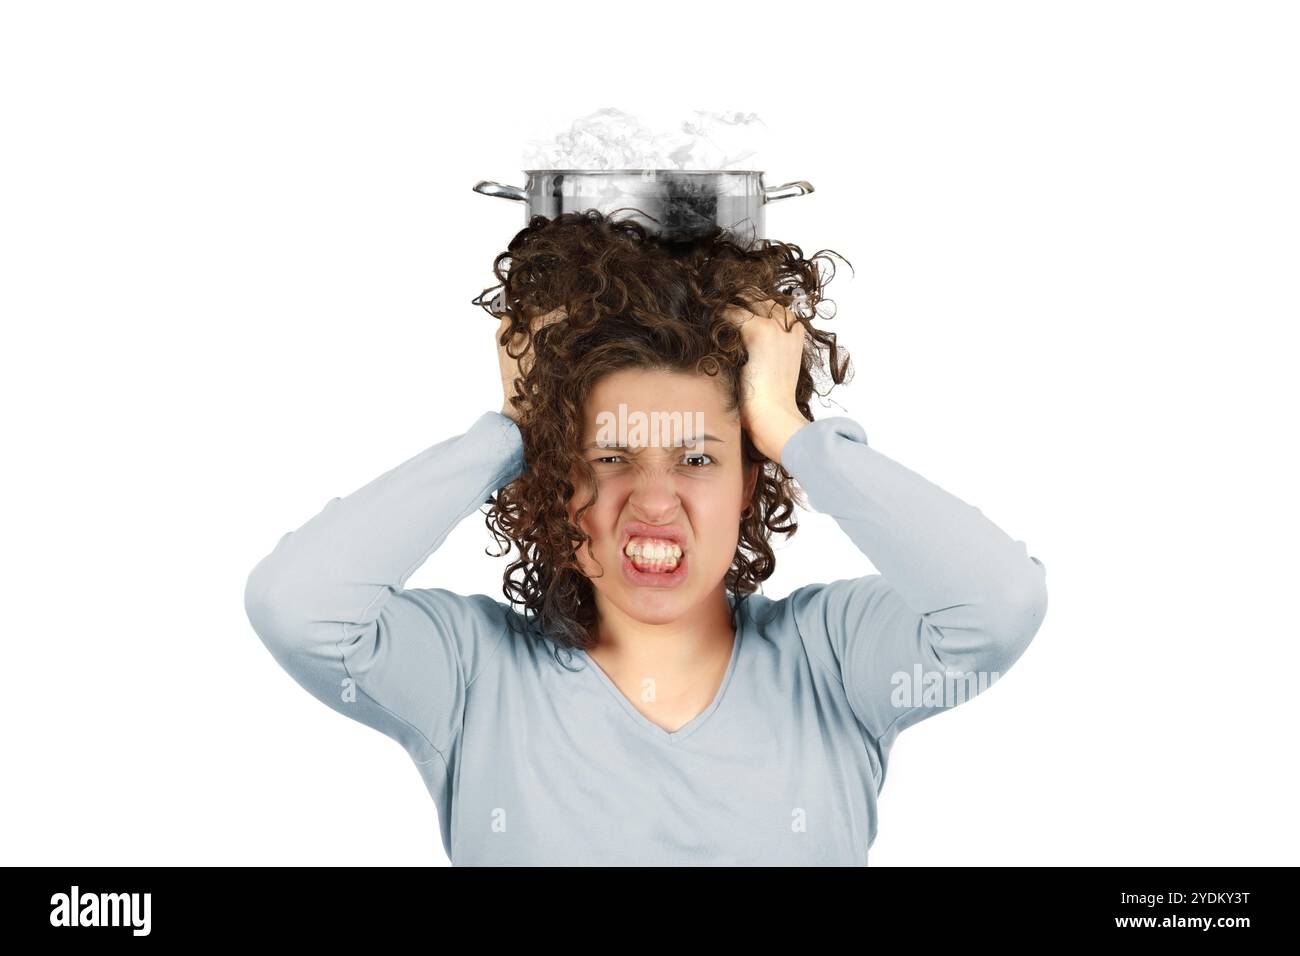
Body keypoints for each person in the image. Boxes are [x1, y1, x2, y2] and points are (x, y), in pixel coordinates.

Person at [243, 211, 1048, 865]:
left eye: (698, 458)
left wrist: (790, 429)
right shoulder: (472, 677)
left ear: (748, 483)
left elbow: (1000, 604)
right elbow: (298, 605)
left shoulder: (833, 659)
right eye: (610, 456)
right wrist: (512, 431)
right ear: (559, 485)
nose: (653, 502)